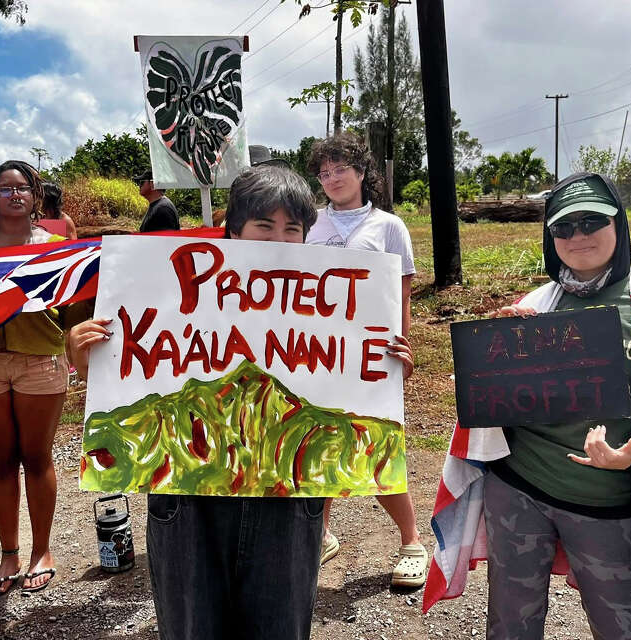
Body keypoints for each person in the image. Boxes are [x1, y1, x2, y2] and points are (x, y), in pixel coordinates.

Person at [67, 164, 414, 639]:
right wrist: (84, 354)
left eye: (293, 228)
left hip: (289, 501)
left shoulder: (330, 296)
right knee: (192, 626)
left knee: (280, 625)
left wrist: (387, 368)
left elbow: (354, 379)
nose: (279, 239)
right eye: (264, 225)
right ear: (233, 229)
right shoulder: (167, 280)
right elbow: (120, 378)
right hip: (187, 497)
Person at [428, 172, 631, 640]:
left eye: (591, 222)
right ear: (550, 237)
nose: (578, 236)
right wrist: (499, 352)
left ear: (618, 226)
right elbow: (492, 413)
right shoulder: (536, 307)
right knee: (510, 621)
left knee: (623, 625)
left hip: (605, 505)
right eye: (564, 227)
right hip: (518, 490)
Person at [304, 132, 426, 588]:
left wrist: (403, 349)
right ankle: (321, 535)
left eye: (340, 169)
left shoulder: (389, 226)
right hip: (314, 355)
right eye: (324, 172)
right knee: (317, 437)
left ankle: (411, 542)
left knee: (375, 444)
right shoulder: (309, 223)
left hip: (369, 355)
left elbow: (402, 292)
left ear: (361, 172)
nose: (332, 178)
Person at [0, 160, 70, 596]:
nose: (15, 194)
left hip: (40, 361)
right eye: (5, 189)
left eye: (23, 187)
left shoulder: (56, 246)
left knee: (37, 458)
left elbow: (77, 308)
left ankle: (42, 550)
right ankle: (9, 552)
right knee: (2, 462)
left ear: (35, 195)